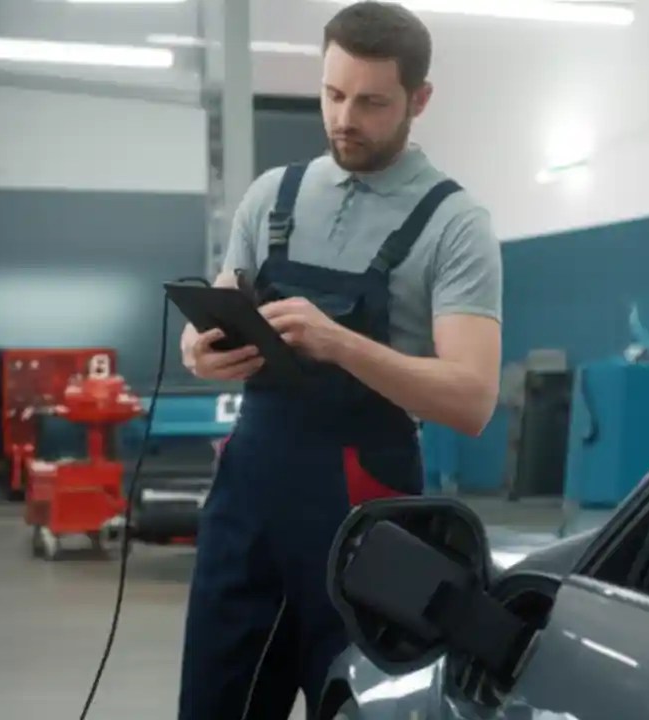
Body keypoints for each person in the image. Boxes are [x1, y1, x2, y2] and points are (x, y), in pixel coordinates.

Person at [177, 2, 502, 718]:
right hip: (248, 502)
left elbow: (473, 398)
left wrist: (338, 343)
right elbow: (222, 307)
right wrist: (199, 351)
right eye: (332, 94)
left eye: (370, 101)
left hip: (368, 517)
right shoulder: (271, 199)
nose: (344, 118)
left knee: (360, 704)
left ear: (419, 100)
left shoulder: (455, 224)